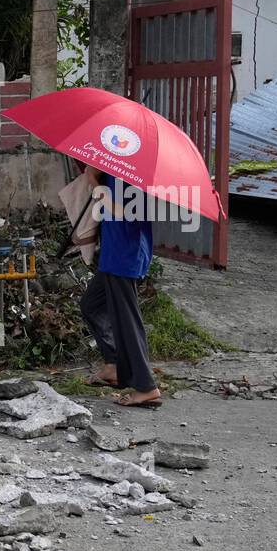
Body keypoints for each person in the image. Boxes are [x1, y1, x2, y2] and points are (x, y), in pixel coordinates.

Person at [78, 162, 163, 409]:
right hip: (113, 253)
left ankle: (146, 387)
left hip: (125, 255)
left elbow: (126, 212)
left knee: (127, 320)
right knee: (91, 305)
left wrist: (94, 184)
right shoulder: (116, 166)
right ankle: (113, 365)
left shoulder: (136, 171)